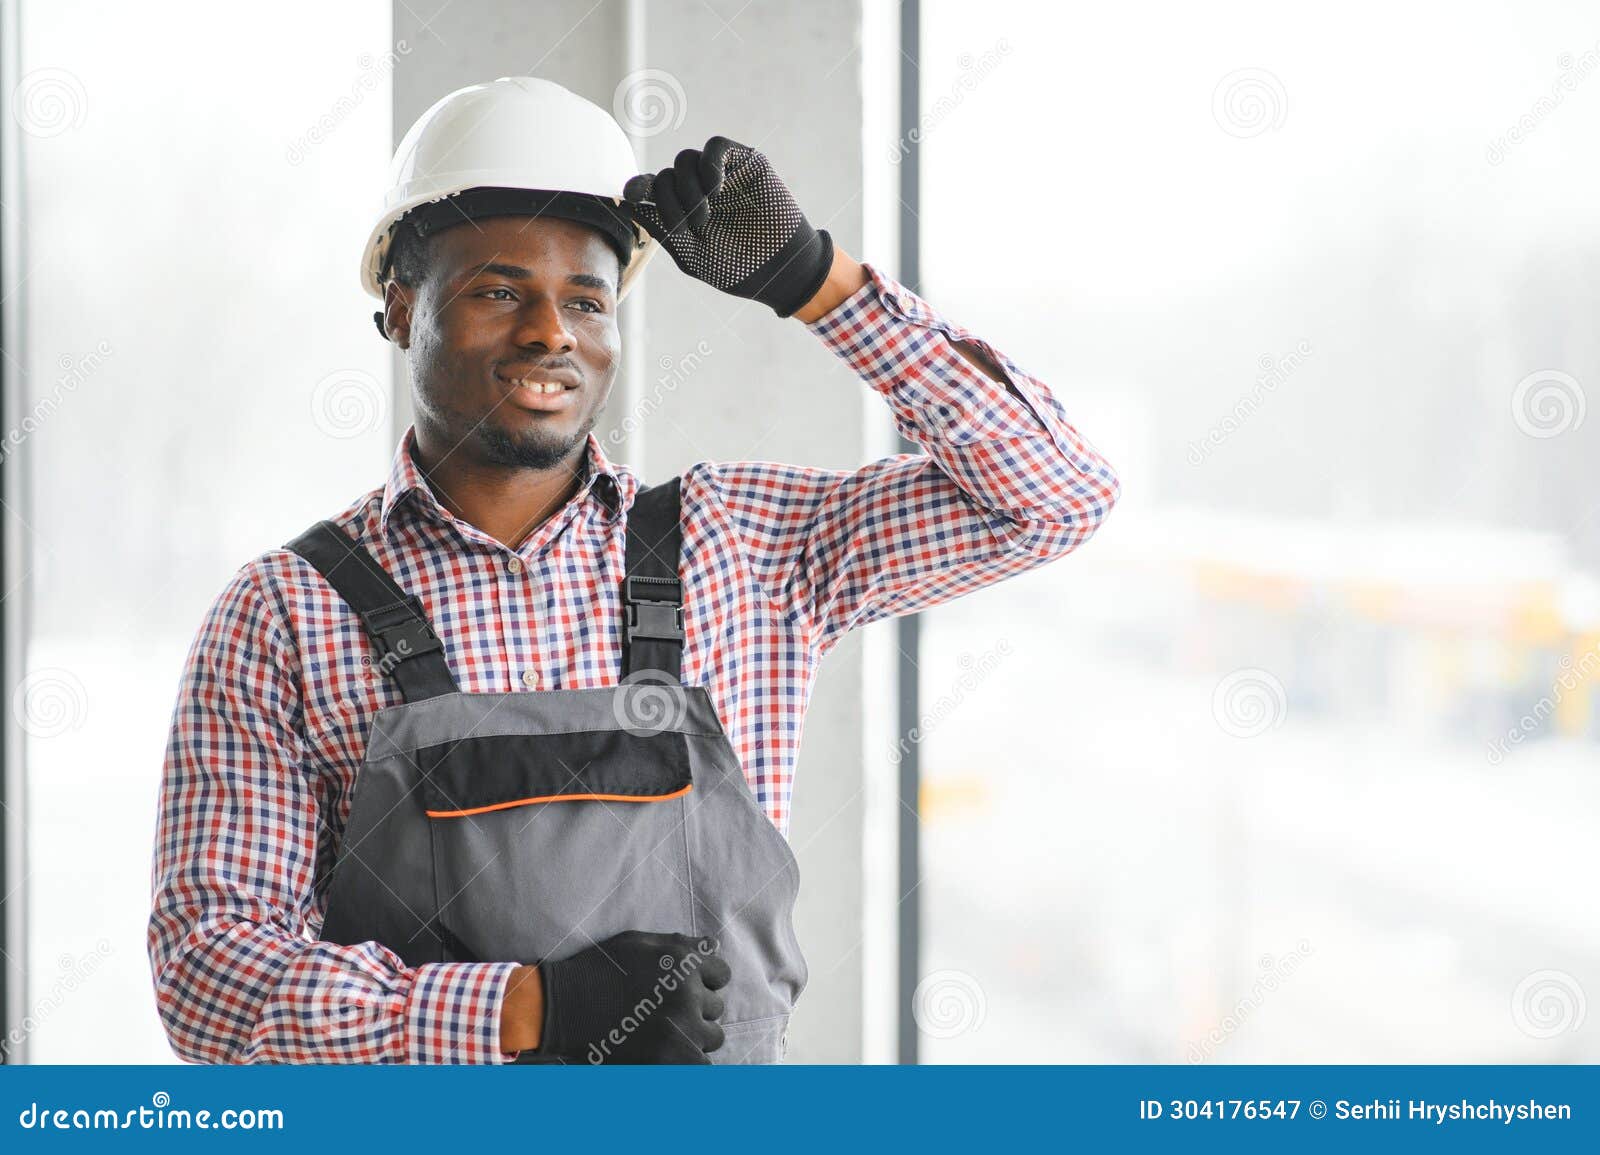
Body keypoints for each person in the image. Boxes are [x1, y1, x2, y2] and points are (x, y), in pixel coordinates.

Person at [147, 76, 1121, 1065]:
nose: (550, 333)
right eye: (496, 291)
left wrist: (814, 283)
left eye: (586, 298)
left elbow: (1054, 496)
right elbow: (209, 975)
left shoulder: (743, 545)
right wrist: (525, 1010)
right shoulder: (285, 613)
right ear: (400, 311)